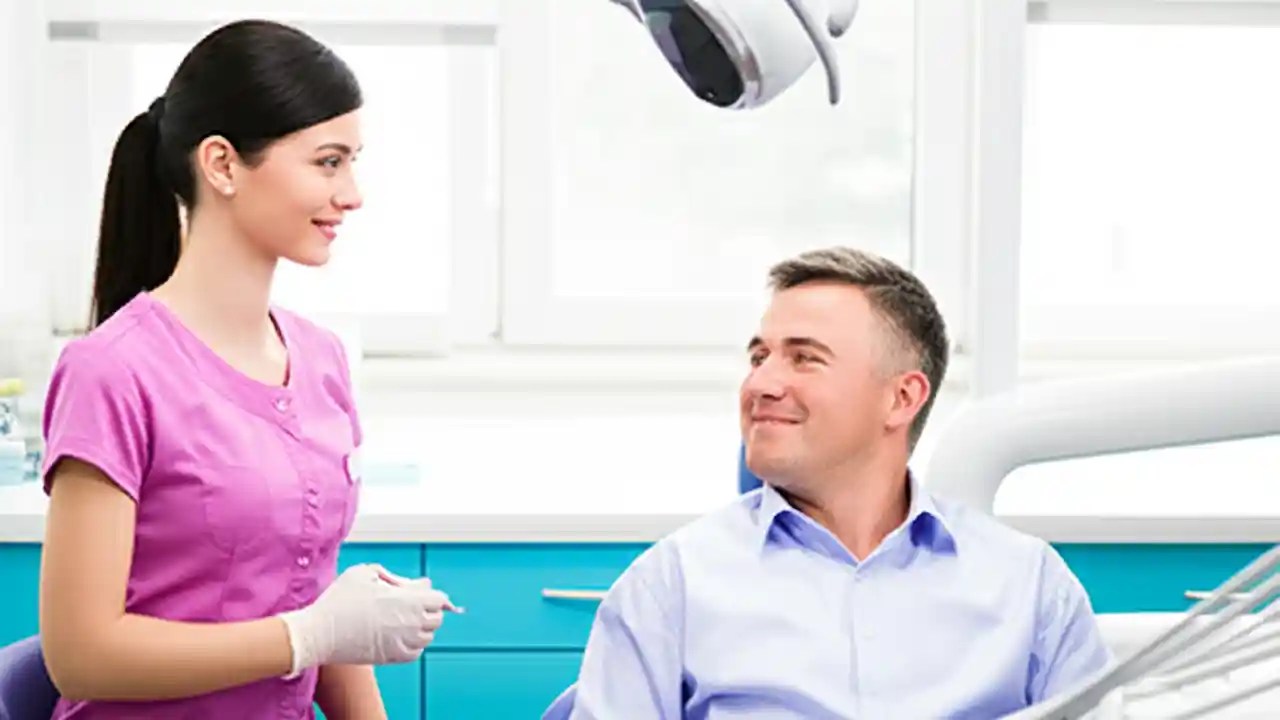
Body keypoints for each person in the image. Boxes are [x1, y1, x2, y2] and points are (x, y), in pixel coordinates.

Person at [38, 19, 451, 719]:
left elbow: (321, 612)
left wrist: (331, 630)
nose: (353, 193)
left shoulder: (319, 361)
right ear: (223, 165)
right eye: (328, 161)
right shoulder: (111, 372)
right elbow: (81, 654)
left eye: (353, 161)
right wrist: (306, 635)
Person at [555, 247, 1113, 719]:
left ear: (902, 398)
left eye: (804, 359)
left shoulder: (1030, 588)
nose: (761, 383)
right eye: (759, 356)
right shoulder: (670, 586)